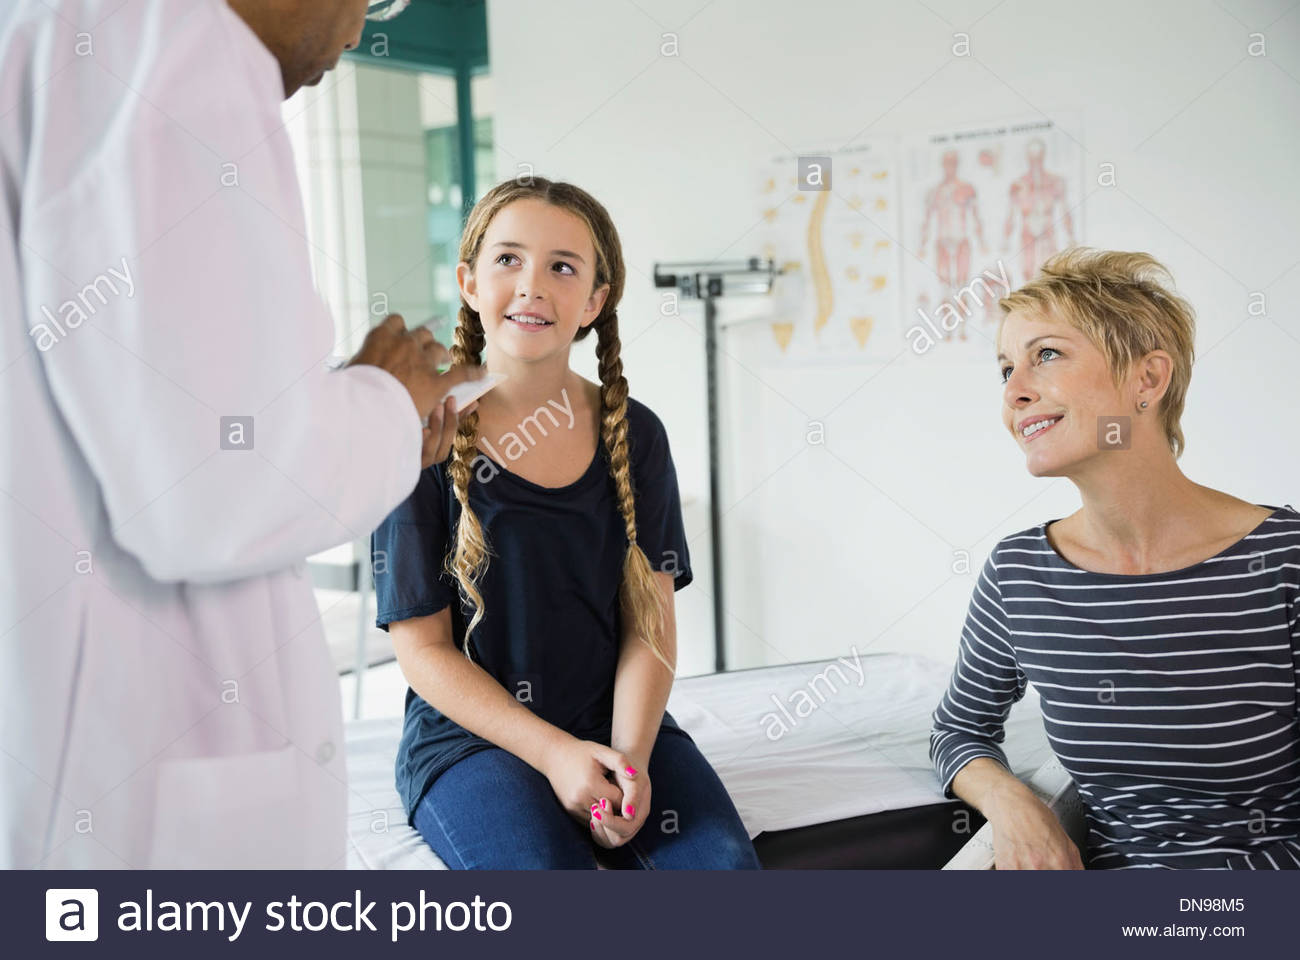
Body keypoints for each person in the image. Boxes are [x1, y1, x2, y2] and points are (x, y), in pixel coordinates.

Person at [0, 0, 480, 867]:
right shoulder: (166, 41)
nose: (358, 29)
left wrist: (349, 420)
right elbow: (213, 489)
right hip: (133, 810)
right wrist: (384, 396)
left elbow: (175, 427)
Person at [371, 177, 761, 869]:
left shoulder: (639, 436)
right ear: (468, 281)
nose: (532, 285)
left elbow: (652, 623)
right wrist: (554, 755)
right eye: (508, 259)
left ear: (595, 301)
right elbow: (422, 652)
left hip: (616, 726)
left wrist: (631, 762)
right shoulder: (418, 434)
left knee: (724, 869)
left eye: (562, 267)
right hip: (472, 743)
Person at [930, 247, 1300, 870]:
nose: (1016, 392)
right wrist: (1014, 805)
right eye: (1005, 369)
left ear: (1147, 380)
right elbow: (957, 732)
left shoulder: (1284, 558)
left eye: (1046, 354)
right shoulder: (1020, 572)